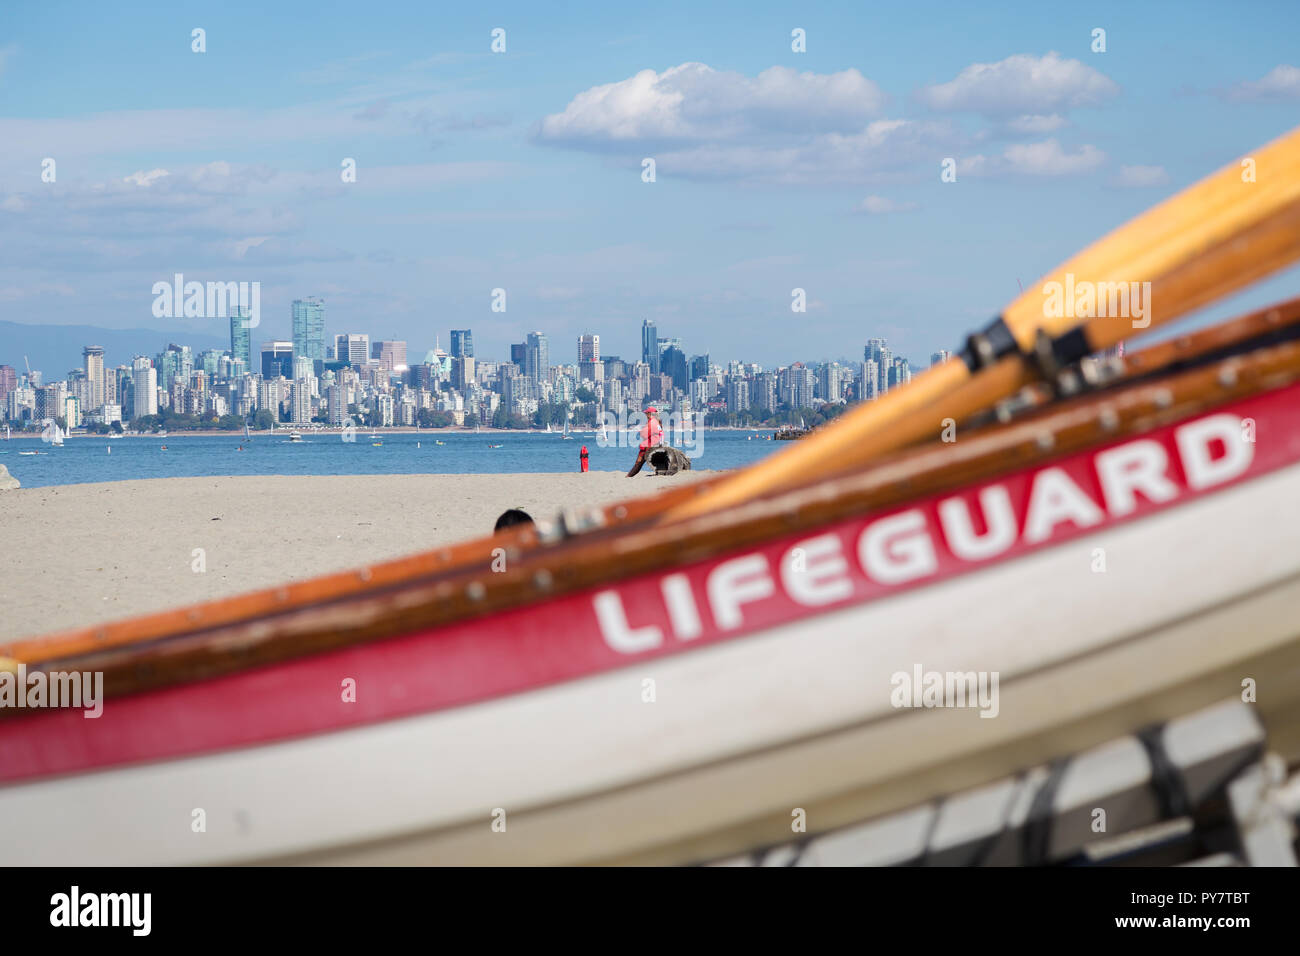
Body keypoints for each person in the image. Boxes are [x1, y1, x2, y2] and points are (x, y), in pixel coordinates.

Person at [625, 406, 663, 477]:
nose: (645, 415)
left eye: (646, 413)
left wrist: (642, 431)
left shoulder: (652, 422)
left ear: (649, 414)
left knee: (638, 463)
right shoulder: (658, 422)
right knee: (640, 462)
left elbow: (643, 434)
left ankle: (629, 476)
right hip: (657, 444)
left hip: (649, 446)